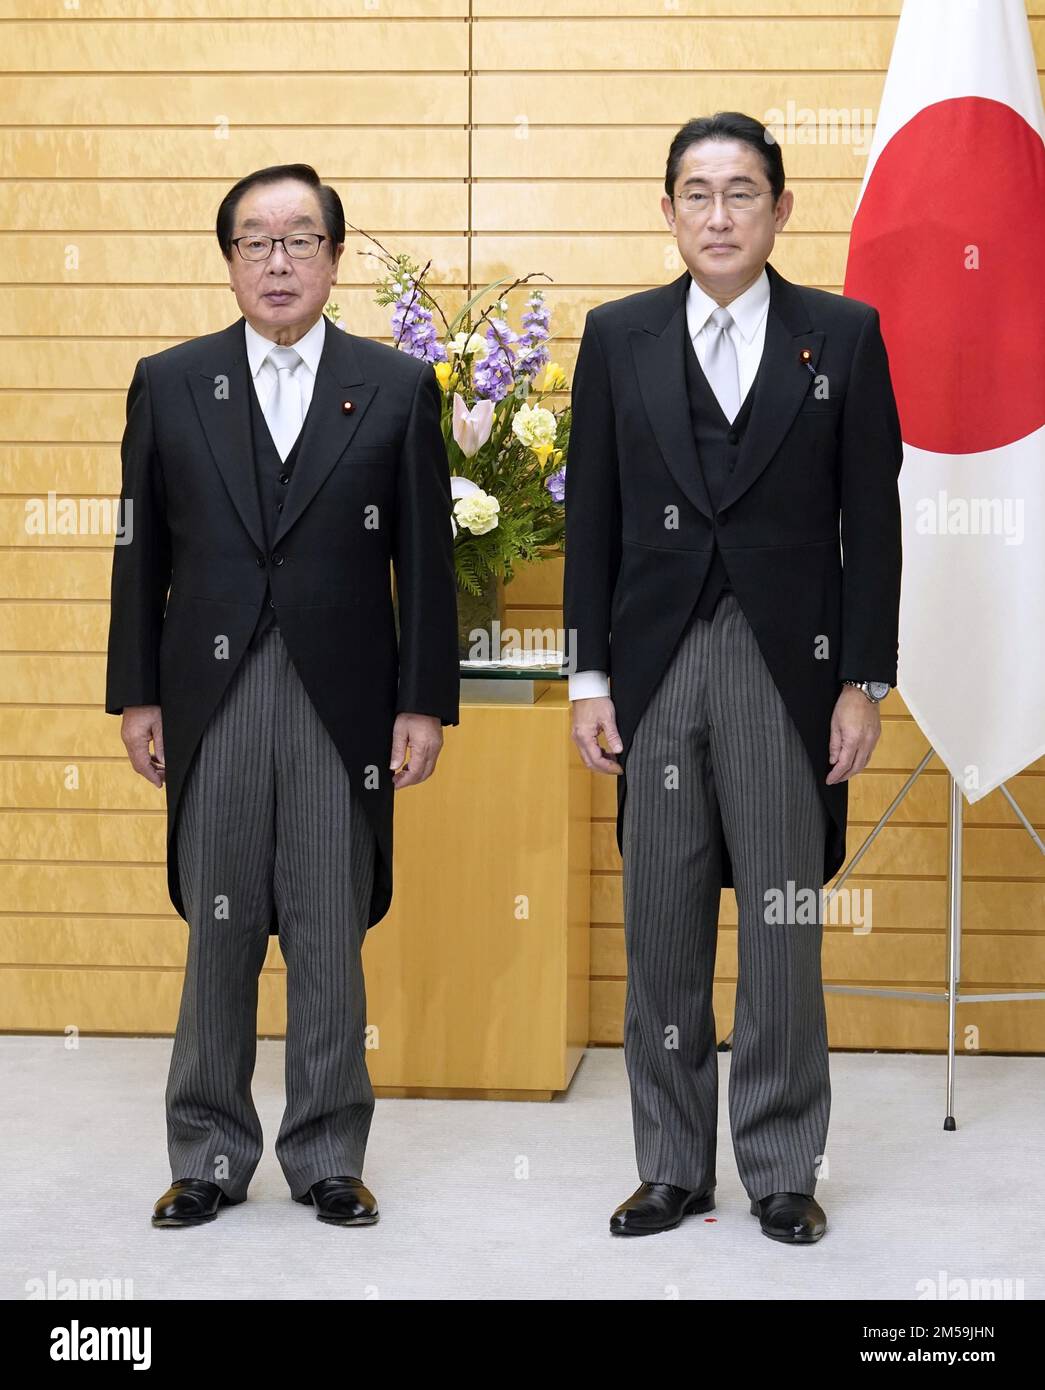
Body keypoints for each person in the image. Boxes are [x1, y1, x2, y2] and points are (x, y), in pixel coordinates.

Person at [563, 113, 902, 1243]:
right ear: (666, 212)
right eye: (696, 194)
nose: (719, 214)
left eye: (742, 192)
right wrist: (587, 678)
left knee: (782, 923)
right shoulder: (616, 338)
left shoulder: (843, 336)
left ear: (780, 209)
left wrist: (862, 680)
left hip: (787, 671)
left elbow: (874, 524)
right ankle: (670, 1165)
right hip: (654, 671)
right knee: (659, 928)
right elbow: (595, 522)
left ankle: (781, 1168)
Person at [105, 164, 460, 1229]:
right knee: (217, 928)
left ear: (336, 259)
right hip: (206, 694)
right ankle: (208, 1151)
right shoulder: (170, 382)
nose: (277, 260)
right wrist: (136, 694)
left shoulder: (395, 387)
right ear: (227, 261)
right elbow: (139, 553)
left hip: (341, 700)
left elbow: (425, 562)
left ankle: (326, 1154)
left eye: (299, 239)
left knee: (325, 925)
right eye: (254, 241)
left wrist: (421, 701)